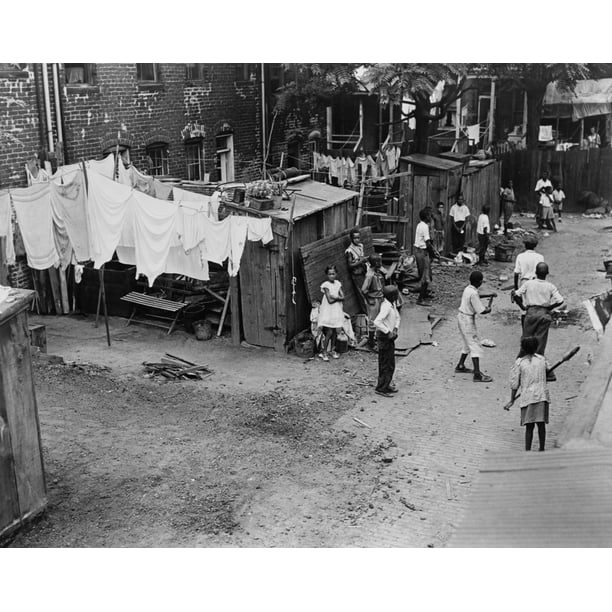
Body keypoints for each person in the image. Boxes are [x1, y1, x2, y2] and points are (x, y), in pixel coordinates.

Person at [504, 336, 551, 452]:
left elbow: (515, 384)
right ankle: (542, 449)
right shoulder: (542, 360)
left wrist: (512, 399)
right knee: (541, 425)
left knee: (529, 426)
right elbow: (550, 374)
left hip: (528, 398)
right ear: (536, 347)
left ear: (523, 348)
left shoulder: (519, 363)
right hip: (541, 396)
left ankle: (527, 451)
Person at [513, 262, 564, 367]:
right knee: (540, 342)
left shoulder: (529, 284)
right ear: (547, 273)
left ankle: (519, 365)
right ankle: (538, 366)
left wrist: (522, 306)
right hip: (544, 314)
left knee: (526, 339)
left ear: (535, 272)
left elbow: (516, 294)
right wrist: (550, 308)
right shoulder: (550, 286)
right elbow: (560, 300)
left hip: (530, 313)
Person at [455, 270, 493, 383]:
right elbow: (481, 311)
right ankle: (477, 374)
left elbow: (476, 296)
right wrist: (488, 309)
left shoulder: (468, 289)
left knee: (467, 343)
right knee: (474, 345)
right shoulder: (473, 293)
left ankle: (460, 365)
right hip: (467, 320)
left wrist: (489, 294)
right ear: (480, 282)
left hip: (461, 316)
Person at [373, 285, 400, 397]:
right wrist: (387, 332)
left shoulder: (392, 305)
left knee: (390, 363)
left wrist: (395, 328)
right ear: (392, 296)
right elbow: (377, 322)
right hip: (384, 338)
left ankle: (386, 384)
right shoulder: (386, 307)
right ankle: (381, 388)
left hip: (390, 337)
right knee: (385, 363)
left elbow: (398, 317)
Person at [317, 264, 345, 362]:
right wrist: (338, 298)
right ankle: (324, 351)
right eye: (329, 274)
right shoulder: (326, 285)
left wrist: (336, 297)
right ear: (327, 275)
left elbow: (343, 296)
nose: (331, 276)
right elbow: (329, 300)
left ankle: (332, 350)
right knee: (328, 331)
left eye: (333, 274)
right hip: (328, 310)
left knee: (334, 332)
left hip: (336, 310)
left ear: (336, 274)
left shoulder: (338, 283)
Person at [414, 208, 440, 307]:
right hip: (422, 252)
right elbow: (427, 243)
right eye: (429, 215)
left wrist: (433, 252)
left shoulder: (420, 224)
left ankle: (424, 294)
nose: (431, 217)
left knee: (427, 273)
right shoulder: (424, 227)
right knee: (425, 276)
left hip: (419, 251)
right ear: (426, 217)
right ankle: (420, 299)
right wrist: (434, 253)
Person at [362, 254, 386, 346]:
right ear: (376, 263)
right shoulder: (370, 275)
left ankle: (376, 338)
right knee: (373, 321)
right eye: (380, 261)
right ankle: (371, 343)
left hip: (379, 298)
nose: (381, 263)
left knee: (379, 319)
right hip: (373, 300)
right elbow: (364, 290)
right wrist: (369, 299)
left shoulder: (377, 272)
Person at [345, 228, 369, 311]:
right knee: (361, 293)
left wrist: (364, 260)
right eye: (355, 238)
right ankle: (366, 312)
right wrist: (360, 261)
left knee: (367, 291)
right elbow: (350, 265)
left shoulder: (361, 246)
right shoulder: (349, 251)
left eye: (358, 237)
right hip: (357, 274)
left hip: (363, 271)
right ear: (351, 239)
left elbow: (361, 256)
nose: (357, 240)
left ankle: (371, 311)